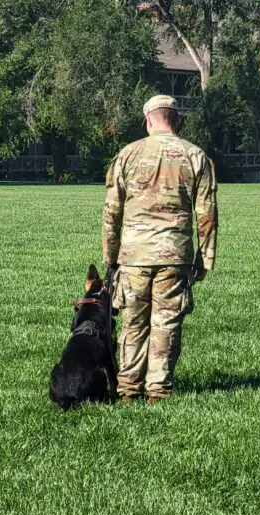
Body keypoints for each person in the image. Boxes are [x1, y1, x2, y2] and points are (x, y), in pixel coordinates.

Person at [102, 95, 218, 404]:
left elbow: (111, 212)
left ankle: (128, 389)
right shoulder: (195, 156)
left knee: (133, 322)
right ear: (175, 120)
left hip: (134, 256)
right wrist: (205, 256)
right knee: (166, 322)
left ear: (149, 120)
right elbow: (207, 212)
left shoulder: (127, 155)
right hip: (174, 254)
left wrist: (109, 258)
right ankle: (159, 390)